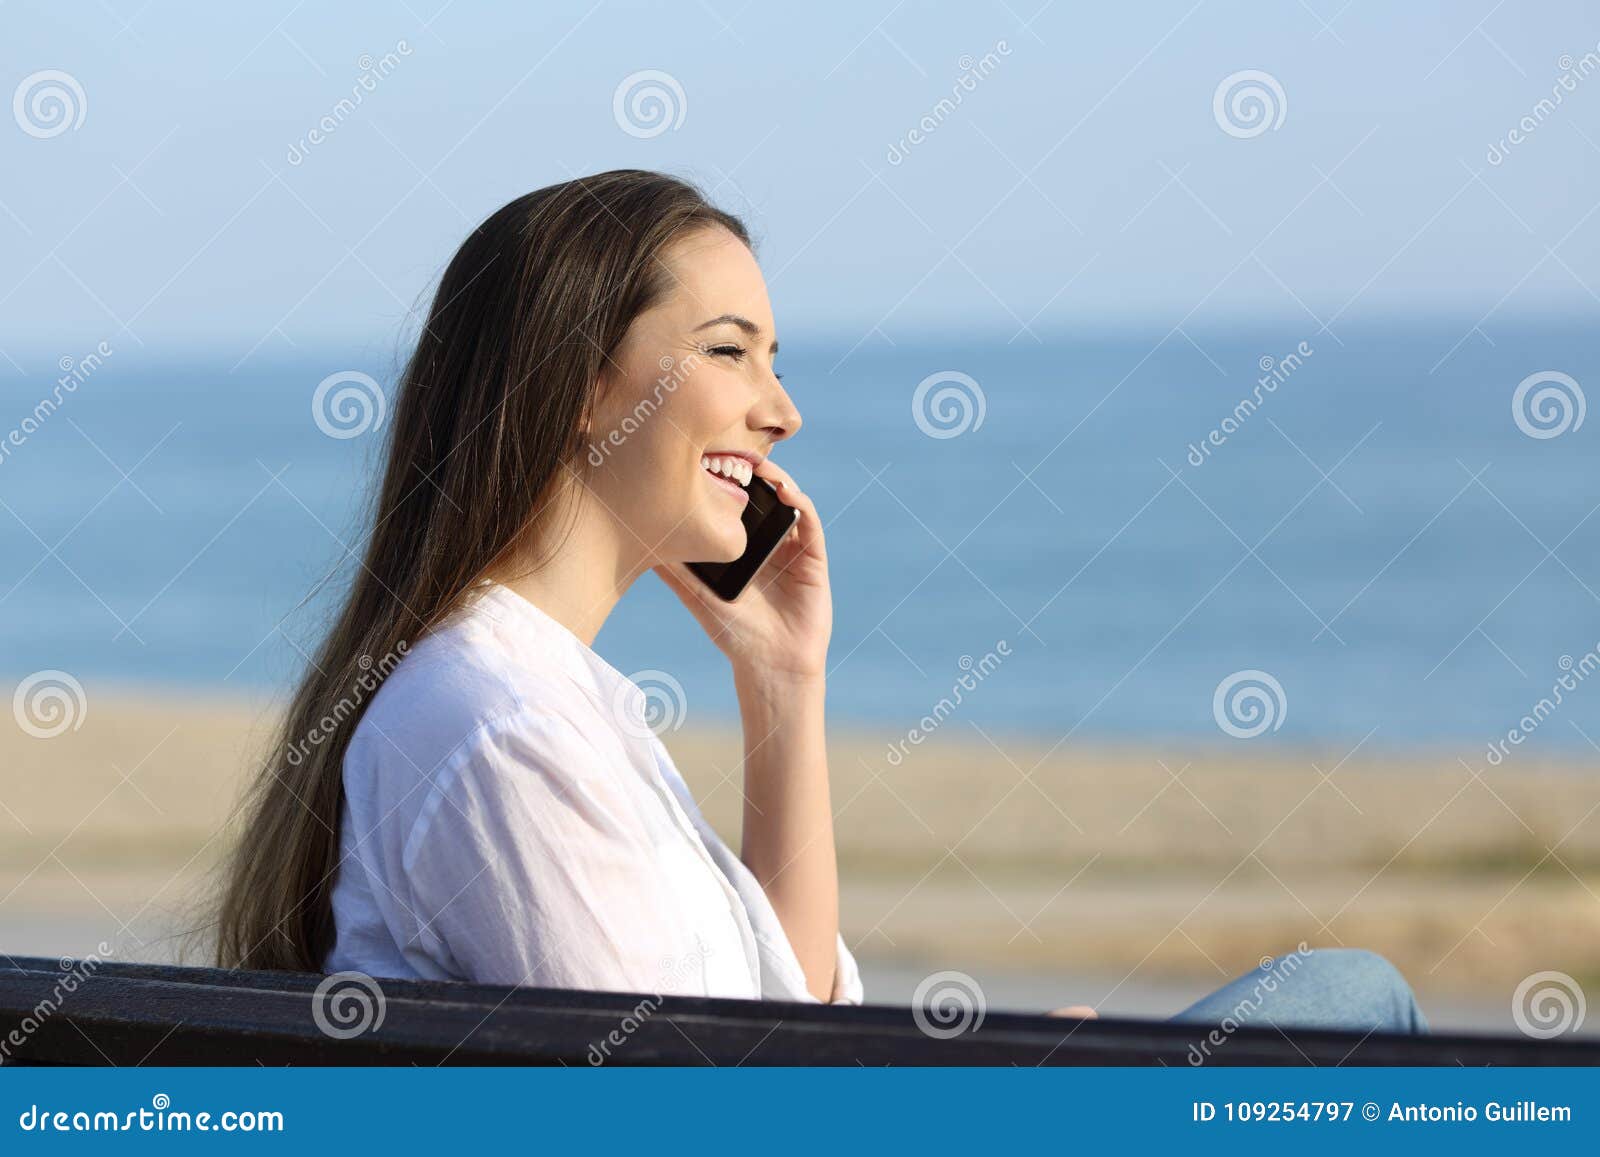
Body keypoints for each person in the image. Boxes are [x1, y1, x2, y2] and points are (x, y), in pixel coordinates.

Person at [213, 170, 1426, 1033]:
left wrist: (783, 685)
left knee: (1330, 1003)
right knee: (1348, 1007)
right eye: (731, 350)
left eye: (775, 361)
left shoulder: (542, 698)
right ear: (585, 388)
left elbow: (782, 1021)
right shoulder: (492, 725)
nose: (780, 408)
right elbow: (693, 1109)